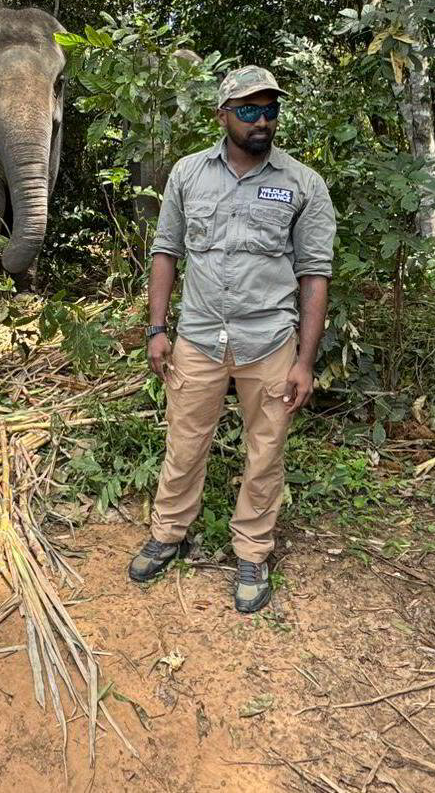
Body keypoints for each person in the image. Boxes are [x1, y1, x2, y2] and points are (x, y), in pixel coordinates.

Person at [129, 65, 336, 613]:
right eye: (249, 110)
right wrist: (156, 328)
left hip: (269, 342)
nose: (262, 120)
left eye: (270, 109)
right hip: (197, 338)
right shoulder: (189, 174)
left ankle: (252, 550)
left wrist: (305, 361)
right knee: (184, 443)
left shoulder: (302, 184)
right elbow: (166, 251)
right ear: (222, 115)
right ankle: (169, 533)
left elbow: (315, 275)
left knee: (265, 453)